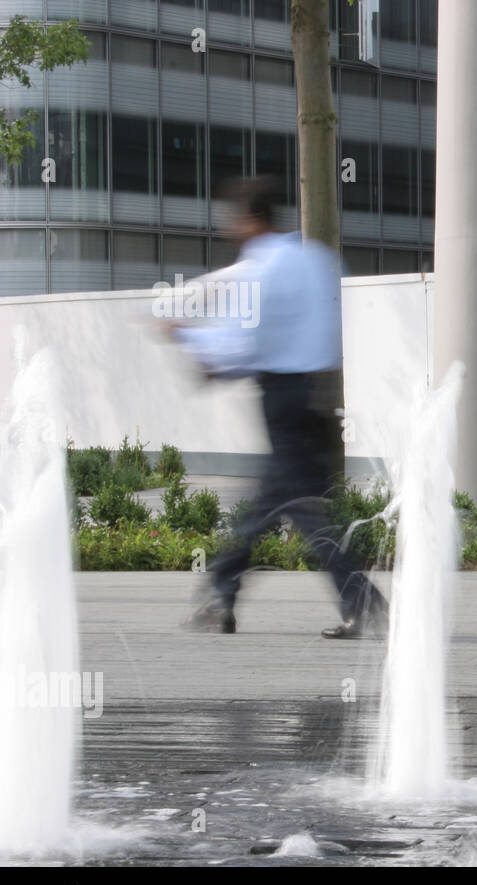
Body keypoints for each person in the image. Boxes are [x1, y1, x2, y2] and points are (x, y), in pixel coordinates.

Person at [165, 176, 387, 638]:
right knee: (287, 502)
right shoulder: (317, 260)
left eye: (234, 220)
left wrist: (183, 335)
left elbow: (237, 347)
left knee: (293, 506)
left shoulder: (258, 271)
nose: (230, 230)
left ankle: (360, 604)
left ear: (252, 219)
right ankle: (223, 597)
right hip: (317, 395)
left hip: (282, 399)